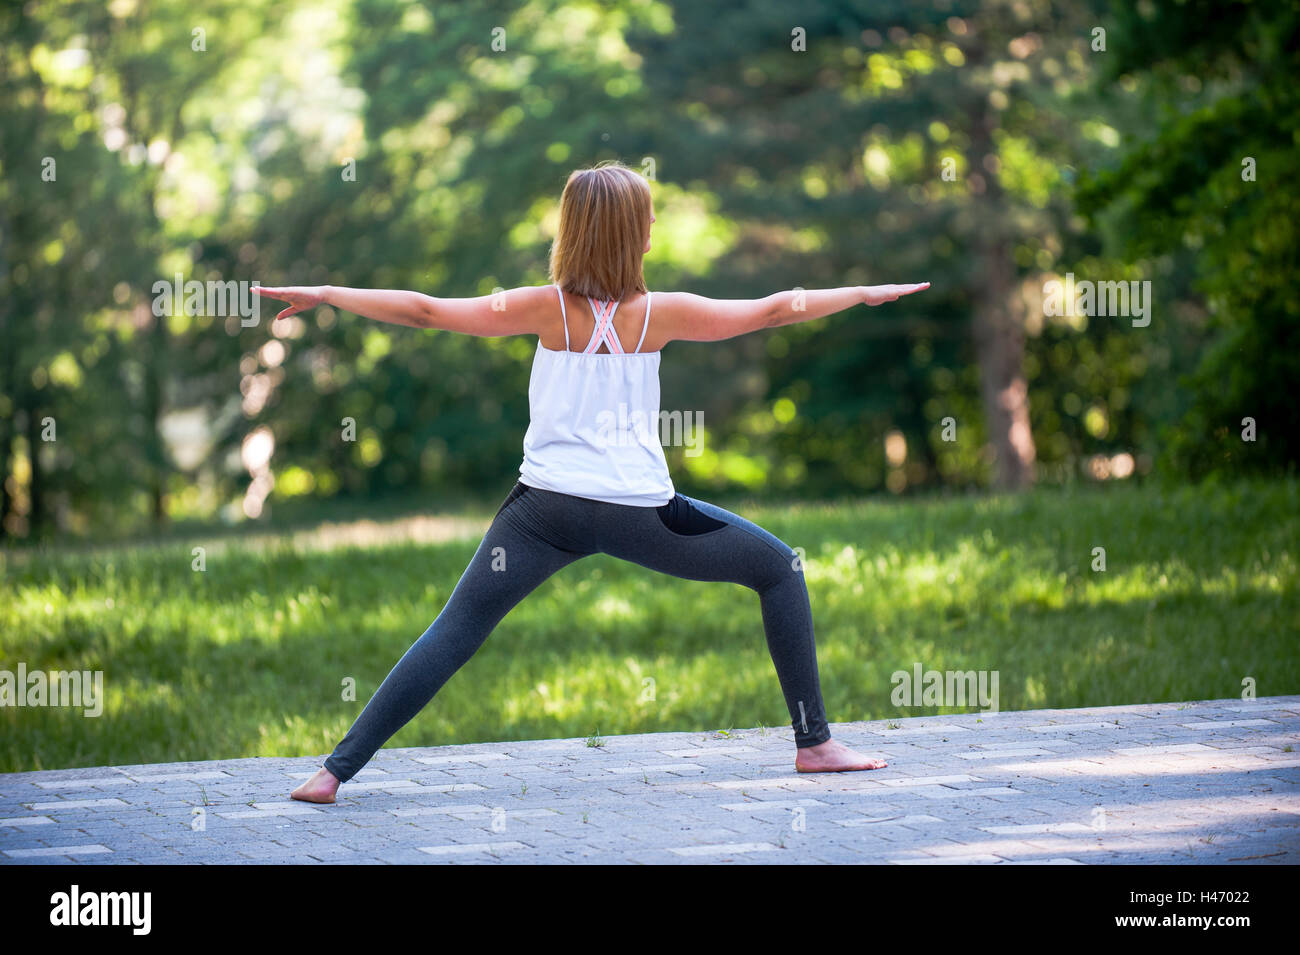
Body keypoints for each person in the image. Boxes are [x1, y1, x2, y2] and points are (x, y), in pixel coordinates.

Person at [254, 160, 929, 804]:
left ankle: (333, 772)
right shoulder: (659, 314)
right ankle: (814, 743)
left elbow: (427, 310)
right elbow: (778, 308)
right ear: (634, 234)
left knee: (456, 630)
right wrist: (863, 293)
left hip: (542, 513)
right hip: (641, 513)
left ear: (571, 230)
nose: (656, 228)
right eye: (650, 219)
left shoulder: (545, 309)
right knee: (780, 569)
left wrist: (328, 295)